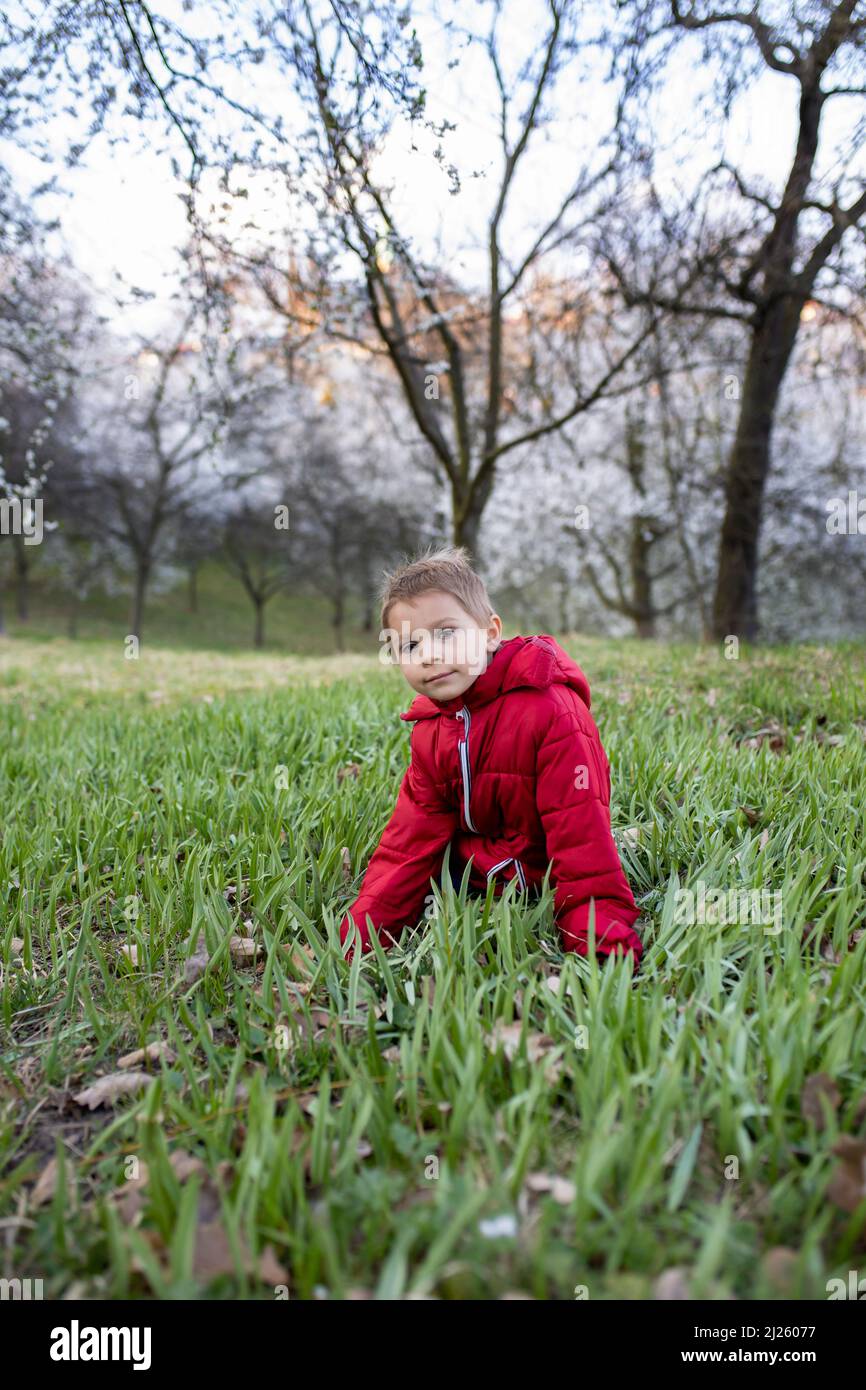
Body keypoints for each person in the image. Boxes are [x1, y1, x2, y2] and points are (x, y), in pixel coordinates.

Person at [339, 544, 643, 968]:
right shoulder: (432, 729)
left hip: (538, 870)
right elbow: (408, 843)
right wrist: (357, 942)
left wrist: (599, 945)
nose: (428, 654)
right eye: (409, 646)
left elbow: (582, 834)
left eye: (446, 633)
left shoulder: (550, 711)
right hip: (476, 871)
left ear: (490, 632)